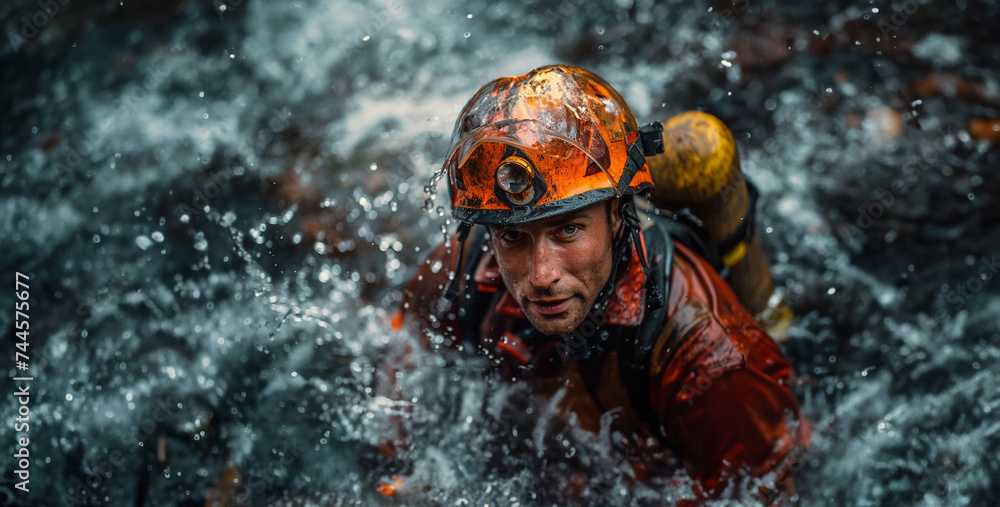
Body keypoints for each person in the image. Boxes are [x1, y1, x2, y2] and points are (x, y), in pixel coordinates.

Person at [391, 64, 809, 502]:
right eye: (514, 236)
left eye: (568, 230)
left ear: (616, 216)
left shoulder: (709, 360)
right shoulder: (466, 267)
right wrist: (398, 469)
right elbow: (406, 355)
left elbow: (765, 489)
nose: (541, 275)